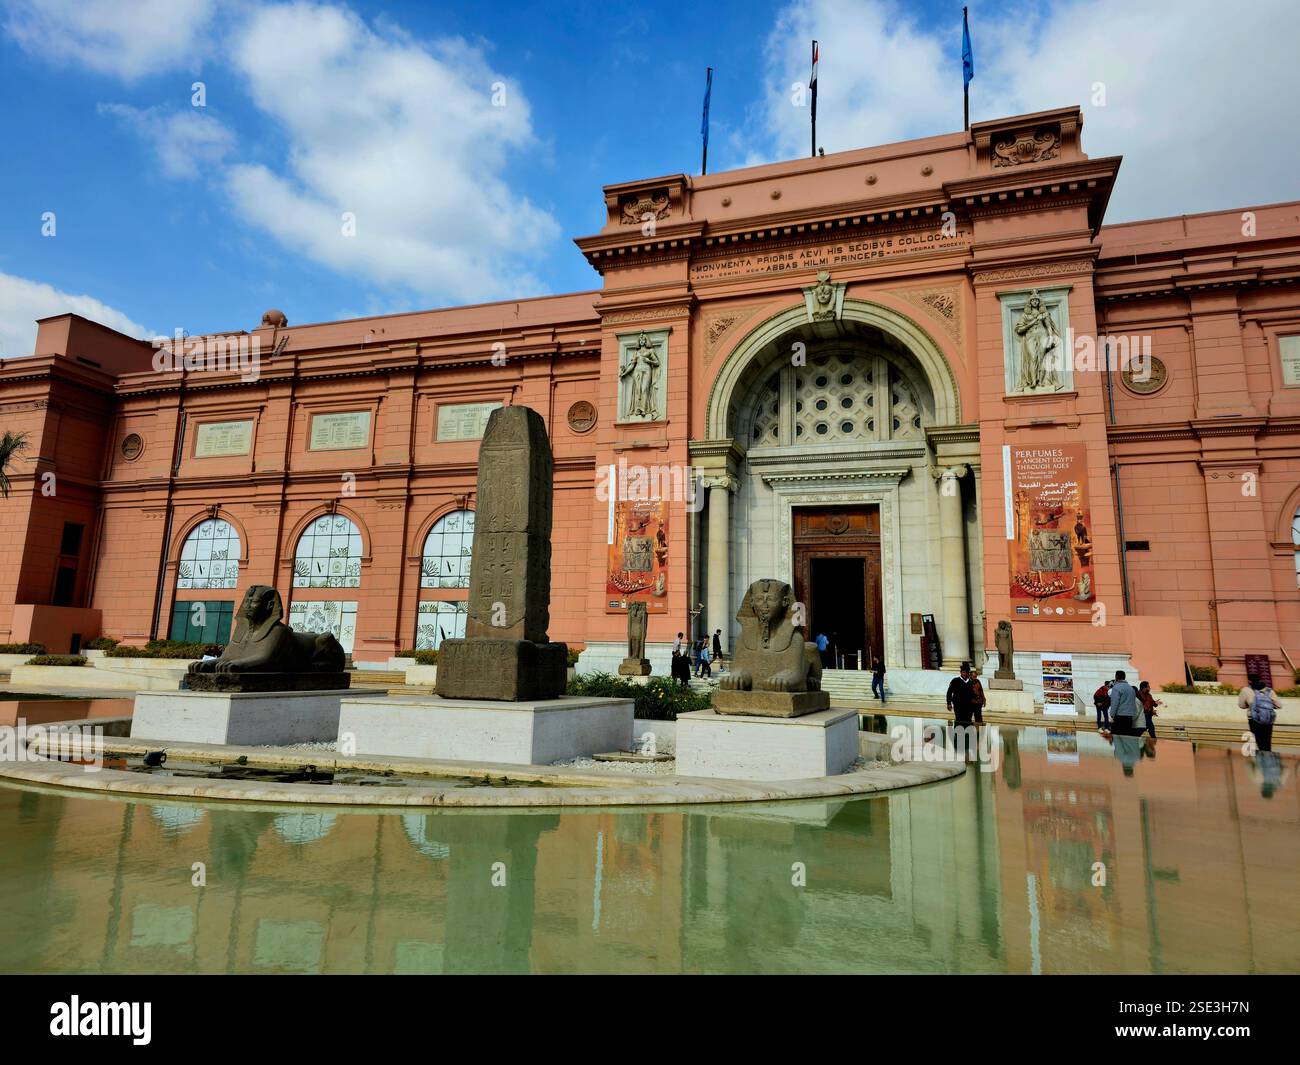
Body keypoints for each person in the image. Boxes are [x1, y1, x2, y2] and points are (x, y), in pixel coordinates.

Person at [1239, 672, 1280, 753]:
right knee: (1267, 741)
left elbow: (1241, 705)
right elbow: (1279, 705)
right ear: (1259, 679)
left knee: (1259, 741)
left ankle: (1262, 760)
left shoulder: (1245, 690)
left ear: (1249, 681)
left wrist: (1251, 706)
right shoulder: (1269, 690)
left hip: (1254, 719)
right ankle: (1269, 759)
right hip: (1268, 719)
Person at [946, 661, 977, 727]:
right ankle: (958, 736)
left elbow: (974, 694)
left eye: (966, 672)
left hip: (969, 706)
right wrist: (949, 703)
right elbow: (949, 692)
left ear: (968, 673)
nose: (965, 674)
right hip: (958, 705)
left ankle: (967, 736)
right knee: (959, 721)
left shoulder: (971, 682)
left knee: (968, 721)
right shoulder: (955, 681)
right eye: (963, 672)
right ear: (960, 672)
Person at [1109, 670, 1138, 735]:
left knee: (1117, 736)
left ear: (1116, 677)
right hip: (1130, 716)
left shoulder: (1116, 687)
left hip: (1120, 716)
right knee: (1126, 736)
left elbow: (1115, 702)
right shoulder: (1131, 688)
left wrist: (1112, 714)